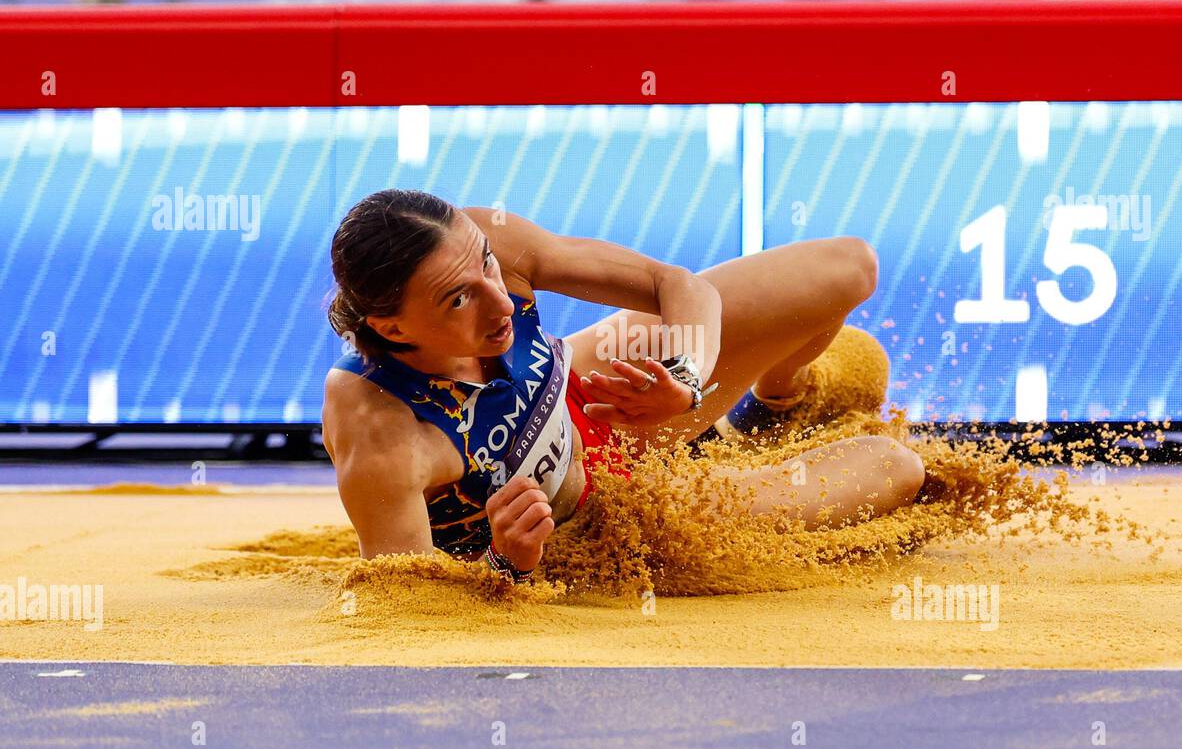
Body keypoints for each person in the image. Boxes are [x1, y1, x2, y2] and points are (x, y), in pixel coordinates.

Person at [322, 189, 925, 581]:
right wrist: (506, 564)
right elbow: (406, 604)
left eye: (487, 265)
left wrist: (686, 380)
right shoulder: (381, 429)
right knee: (895, 466)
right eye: (459, 299)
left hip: (607, 393)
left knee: (846, 267)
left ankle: (768, 410)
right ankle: (726, 445)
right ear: (390, 326)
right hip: (603, 522)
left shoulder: (477, 239)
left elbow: (678, 285)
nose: (500, 299)